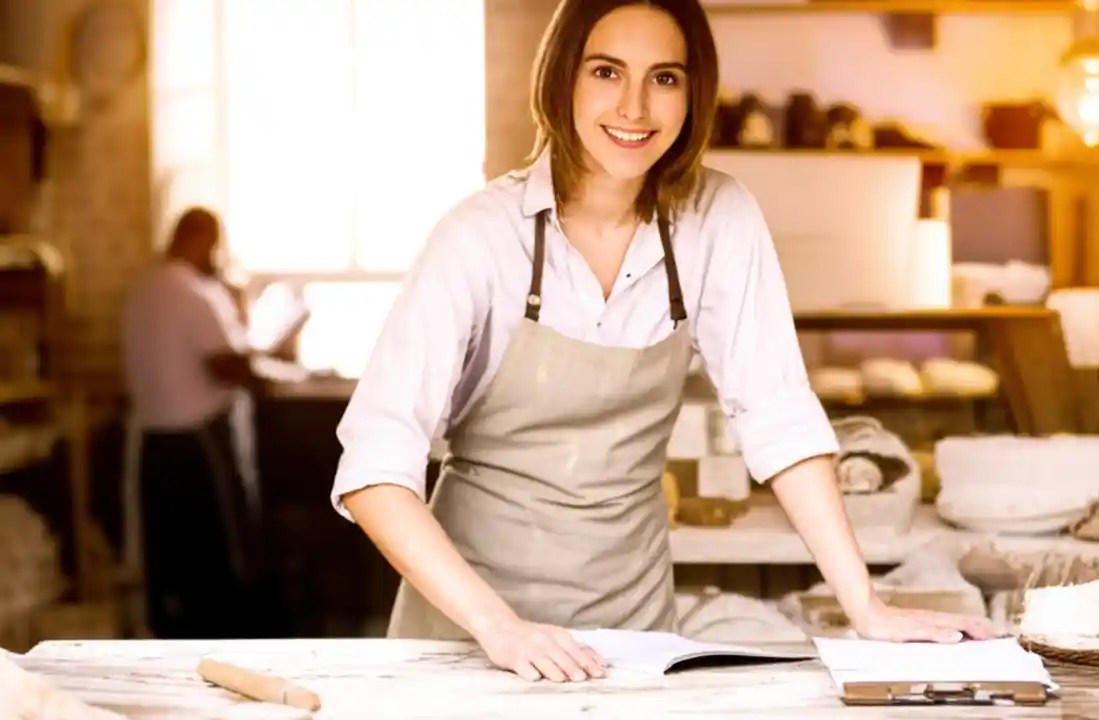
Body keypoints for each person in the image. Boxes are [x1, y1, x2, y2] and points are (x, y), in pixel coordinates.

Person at [331, 0, 995, 684]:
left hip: (631, 636)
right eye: (606, 71)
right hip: (468, 637)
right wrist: (497, 626)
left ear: (693, 94)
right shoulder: (479, 236)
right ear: (563, 79)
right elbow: (375, 468)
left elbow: (779, 415)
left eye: (665, 78)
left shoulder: (718, 219)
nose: (635, 106)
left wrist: (866, 606)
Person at [121, 207, 272, 639]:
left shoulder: (142, 288)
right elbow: (227, 364)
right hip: (196, 444)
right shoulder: (192, 292)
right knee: (213, 559)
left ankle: (170, 644)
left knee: (166, 558)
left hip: (152, 442)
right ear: (204, 240)